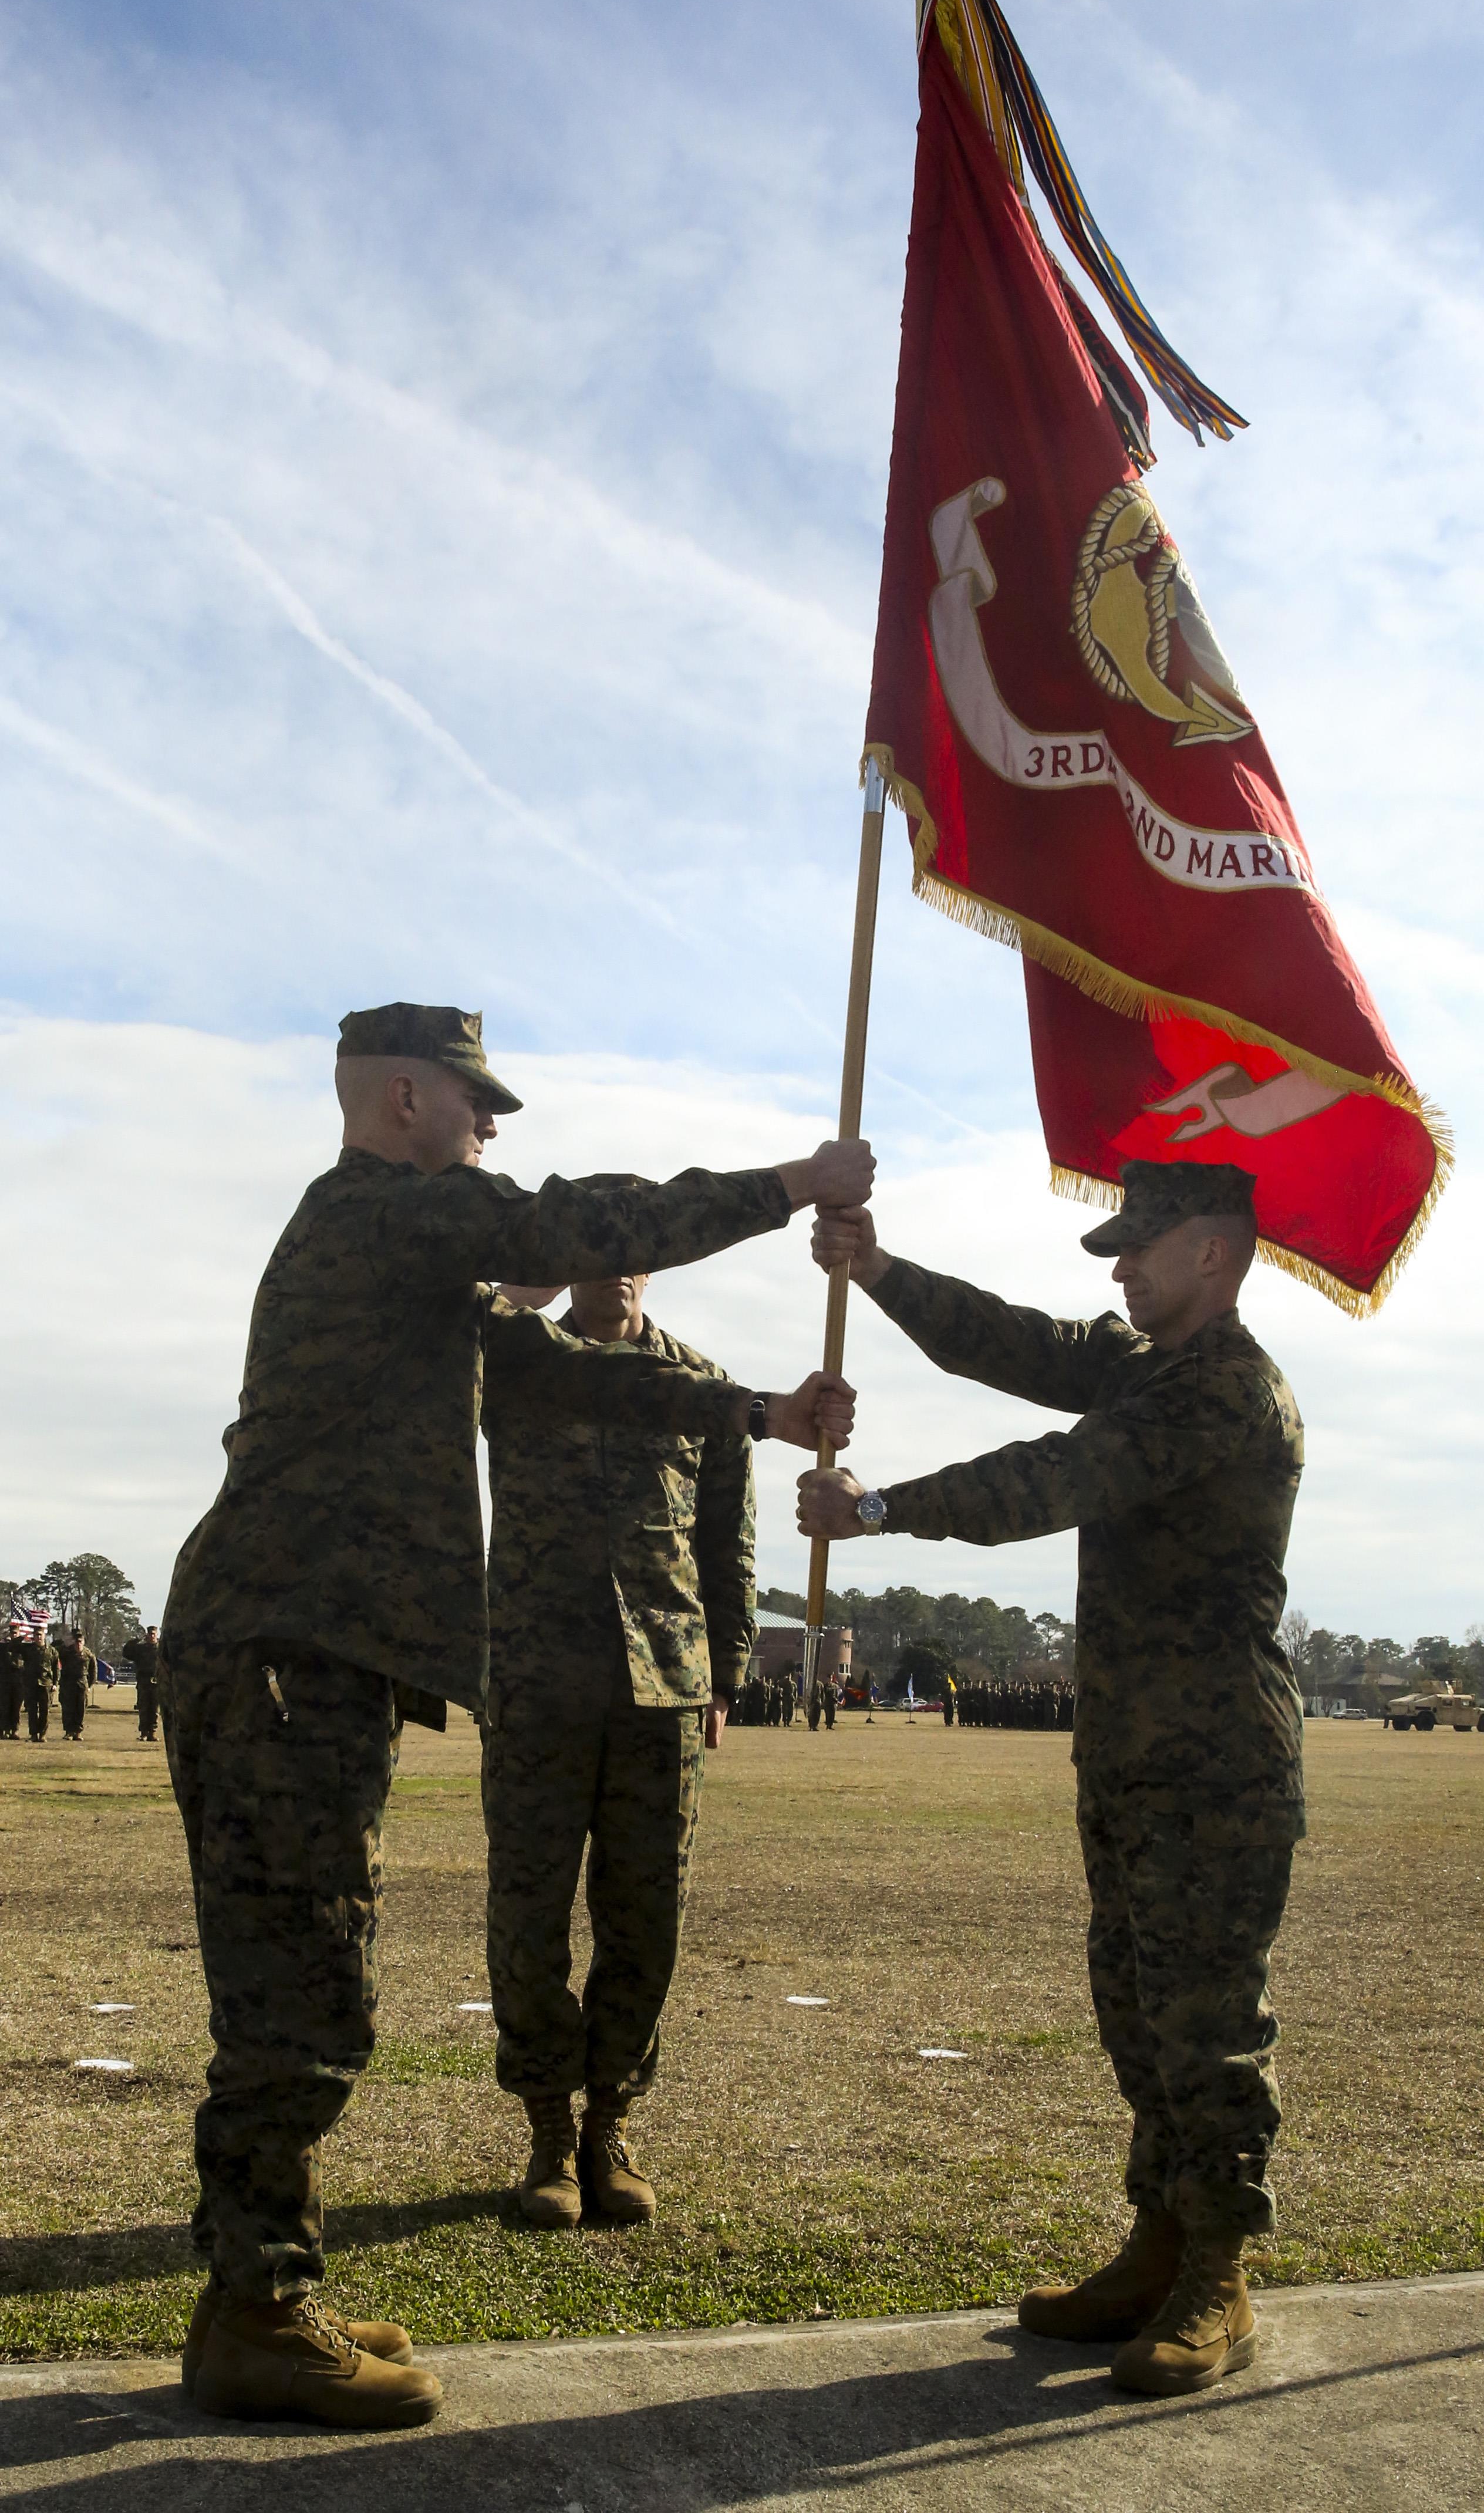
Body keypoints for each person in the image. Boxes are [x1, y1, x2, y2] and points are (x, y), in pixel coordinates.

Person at [160, 999, 871, 2432]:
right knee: (300, 1992)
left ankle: (264, 2279)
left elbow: (569, 1371)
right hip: (284, 1652)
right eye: (478, 1105)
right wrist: (794, 1183)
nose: (491, 1129)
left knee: (313, 1979)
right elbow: (579, 1223)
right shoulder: (381, 1212)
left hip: (313, 1655)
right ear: (407, 1097)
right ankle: (255, 2311)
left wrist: (756, 1419)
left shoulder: (415, 1262)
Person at [801, 1160, 1303, 2399]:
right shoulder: (1145, 1365)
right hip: (1131, 1750)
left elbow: (1058, 1474)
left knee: (1205, 2027)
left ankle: (1219, 2276)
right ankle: (1160, 2240)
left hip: (1216, 1763)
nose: (1119, 1266)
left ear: (1211, 1253)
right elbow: (1011, 1343)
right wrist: (877, 1273)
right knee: (1137, 2013)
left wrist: (881, 1511)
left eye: (1140, 1246)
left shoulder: (1227, 1392)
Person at [481, 1254, 790, 2229]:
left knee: (646, 1917)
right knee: (527, 1915)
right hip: (537, 1680)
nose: (611, 1266)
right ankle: (543, 2129)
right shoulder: (519, 1364)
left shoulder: (704, 1390)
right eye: (589, 1244)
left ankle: (607, 2125)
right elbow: (454, 1317)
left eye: (629, 1247)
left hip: (661, 1686)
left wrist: (726, 1671)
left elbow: (727, 1540)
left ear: (653, 1263)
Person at [123, 1625, 163, 1741]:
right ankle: (144, 1732)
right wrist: (136, 1640)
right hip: (144, 1681)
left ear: (157, 1635)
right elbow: (126, 1653)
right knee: (144, 1708)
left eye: (154, 1634)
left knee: (155, 1709)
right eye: (150, 1634)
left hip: (156, 1682)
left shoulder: (161, 1649)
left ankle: (153, 1732)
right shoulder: (141, 1649)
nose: (152, 1636)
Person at [56, 1633, 96, 1741]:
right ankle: (69, 1732)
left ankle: (78, 1732)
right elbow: (54, 1652)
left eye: (80, 1642)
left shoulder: (88, 1654)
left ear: (84, 1643)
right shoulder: (66, 1652)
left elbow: (93, 1671)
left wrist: (90, 1685)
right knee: (68, 1709)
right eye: (77, 1642)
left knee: (81, 1709)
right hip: (68, 1684)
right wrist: (64, 1644)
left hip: (82, 1684)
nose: (78, 1644)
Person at [21, 1629, 57, 1742]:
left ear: (44, 1636)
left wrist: (55, 1683)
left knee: (45, 1710)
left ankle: (42, 1734)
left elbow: (56, 1669)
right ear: (33, 1637)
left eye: (41, 1635)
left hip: (46, 1684)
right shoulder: (28, 1649)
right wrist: (23, 1636)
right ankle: (33, 1734)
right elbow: (13, 1647)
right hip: (31, 1684)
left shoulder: (52, 1651)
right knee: (32, 1710)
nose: (39, 1637)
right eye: (36, 1635)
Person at [0, 1618, 25, 1738]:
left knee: (16, 1707)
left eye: (16, 1633)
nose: (14, 1635)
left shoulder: (24, 1648)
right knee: (5, 1706)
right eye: (12, 1633)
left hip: (19, 1681)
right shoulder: (4, 1647)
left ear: (19, 1633)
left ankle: (15, 1730)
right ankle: (5, 1730)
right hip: (5, 1681)